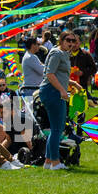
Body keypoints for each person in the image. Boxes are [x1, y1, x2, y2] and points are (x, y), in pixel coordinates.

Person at [37, 29, 75, 170]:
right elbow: (50, 74)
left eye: (73, 41)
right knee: (57, 129)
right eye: (68, 40)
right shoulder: (57, 53)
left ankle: (48, 162)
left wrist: (72, 83)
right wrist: (62, 90)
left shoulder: (63, 54)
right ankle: (55, 162)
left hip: (54, 91)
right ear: (61, 40)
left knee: (55, 128)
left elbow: (59, 74)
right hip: (52, 92)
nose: (71, 43)